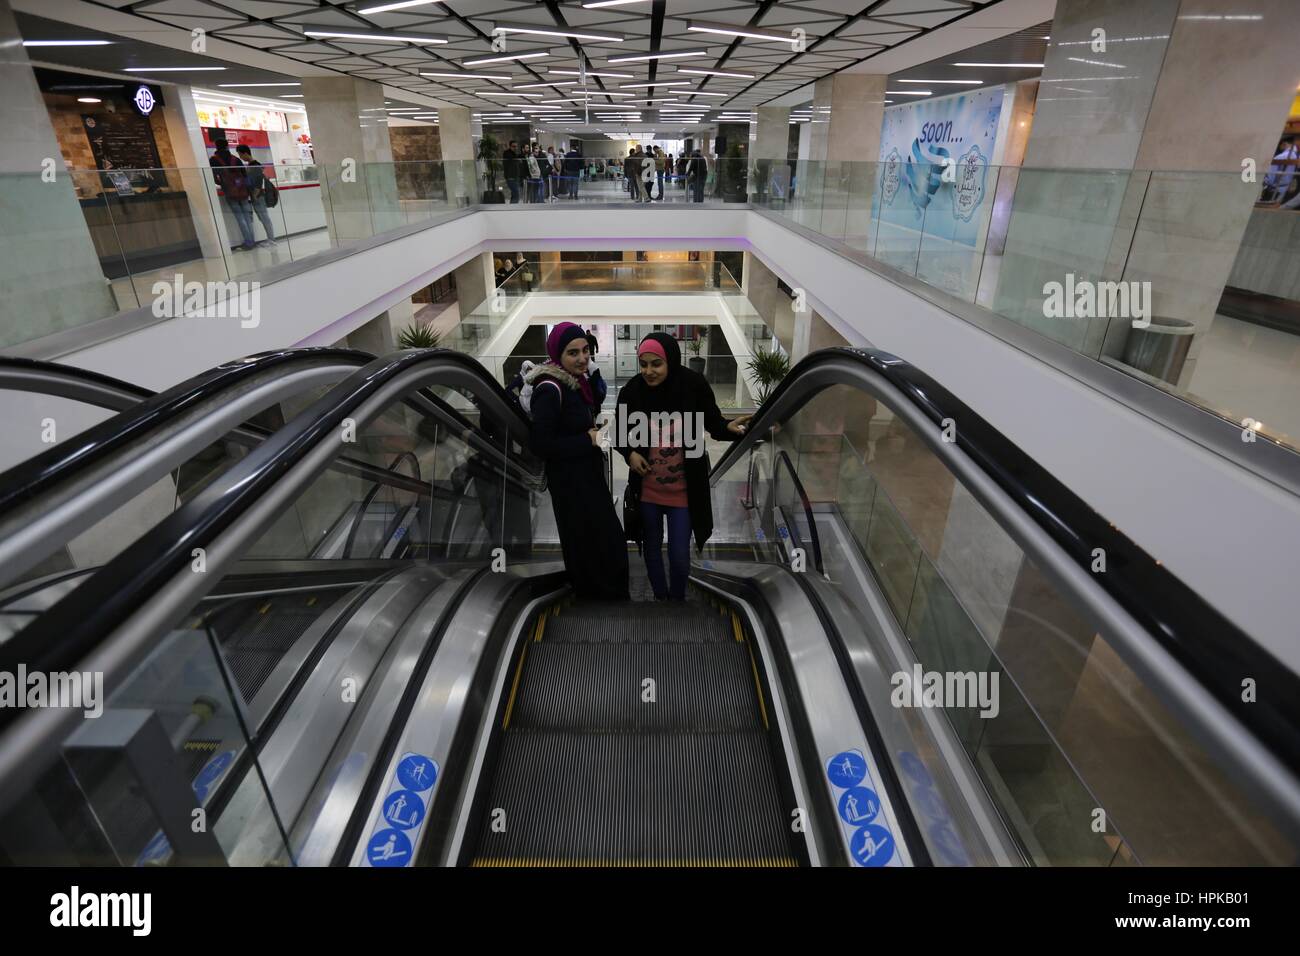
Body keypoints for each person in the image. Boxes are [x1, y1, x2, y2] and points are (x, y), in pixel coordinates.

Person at [616, 333, 751, 601]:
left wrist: (730, 427)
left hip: (684, 493)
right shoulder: (632, 391)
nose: (649, 371)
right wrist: (629, 453)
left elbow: (714, 423)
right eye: (643, 364)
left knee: (679, 554)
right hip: (647, 492)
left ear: (671, 361)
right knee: (652, 548)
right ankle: (660, 599)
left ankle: (676, 600)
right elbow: (620, 433)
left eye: (656, 364)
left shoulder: (693, 385)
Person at [526, 322, 629, 600]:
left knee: (598, 537)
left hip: (585, 473)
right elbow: (541, 444)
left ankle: (603, 593)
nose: (582, 358)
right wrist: (588, 439)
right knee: (589, 539)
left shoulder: (577, 381)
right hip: (570, 482)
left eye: (585, 350)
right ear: (558, 355)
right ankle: (596, 595)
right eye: (573, 353)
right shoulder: (549, 389)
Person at [208, 134, 256, 250]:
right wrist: (248, 189)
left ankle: (248, 242)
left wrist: (222, 184)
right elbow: (245, 176)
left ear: (216, 146)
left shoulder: (214, 160)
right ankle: (252, 241)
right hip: (243, 192)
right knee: (247, 217)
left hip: (230, 192)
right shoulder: (236, 159)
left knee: (240, 218)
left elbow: (213, 176)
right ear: (227, 146)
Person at [235, 144, 276, 246]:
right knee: (263, 217)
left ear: (245, 153)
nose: (240, 157)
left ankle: (271, 239)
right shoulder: (252, 165)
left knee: (264, 217)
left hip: (258, 196)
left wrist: (254, 196)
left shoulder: (255, 166)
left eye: (240, 154)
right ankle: (271, 239)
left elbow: (258, 183)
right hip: (256, 196)